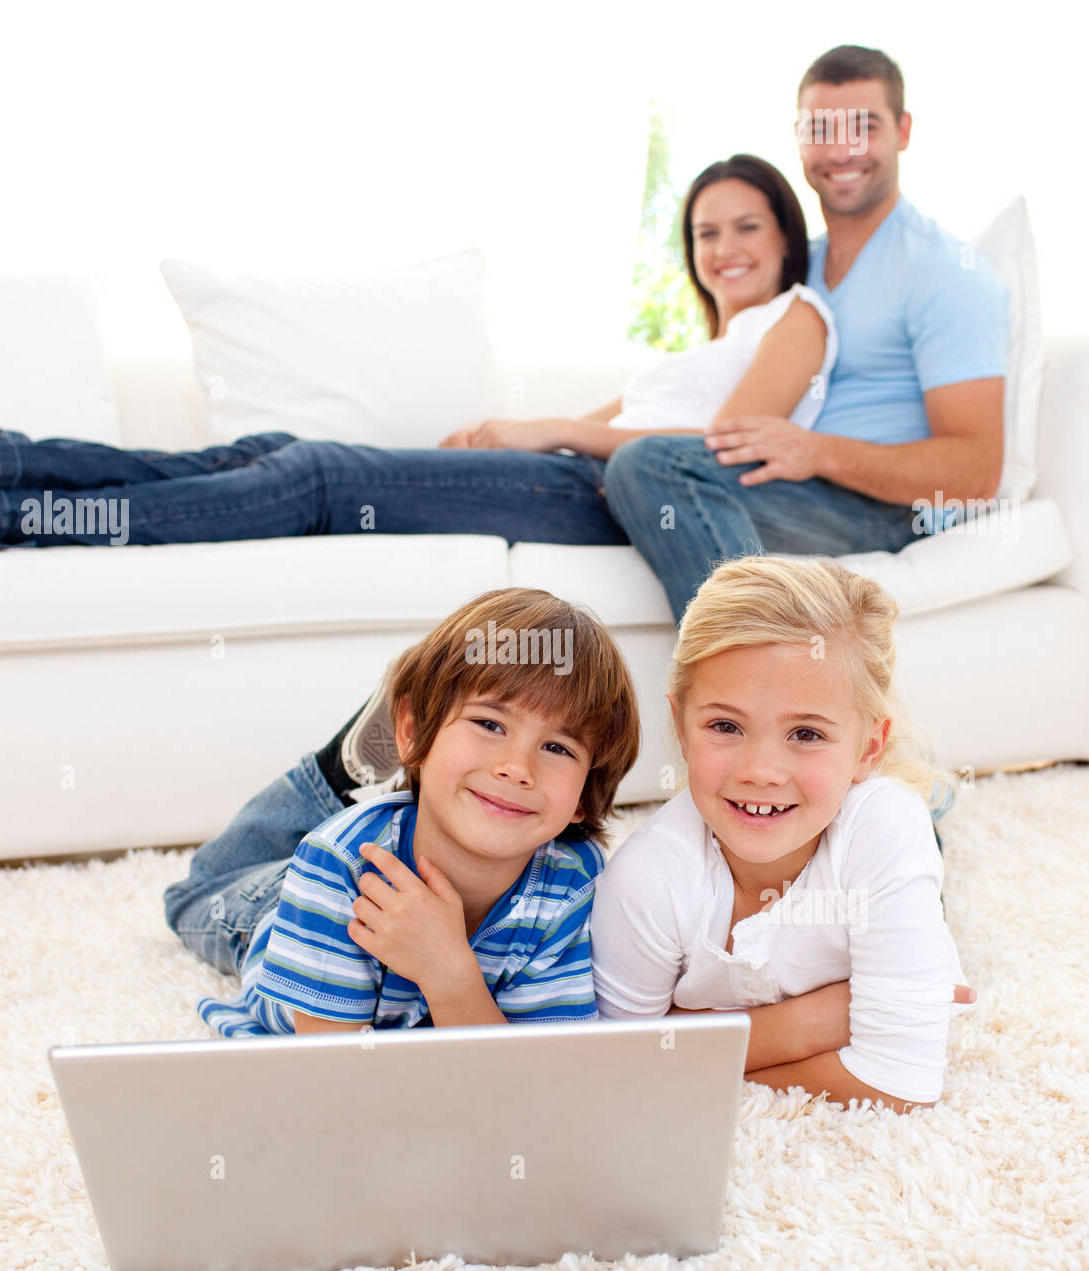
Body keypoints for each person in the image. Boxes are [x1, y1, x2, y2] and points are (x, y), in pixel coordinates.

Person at [0, 155, 834, 565]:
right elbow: (613, 425)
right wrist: (510, 437)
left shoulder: (797, 315)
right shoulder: (702, 346)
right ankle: (0, 456)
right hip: (567, 472)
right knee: (261, 453)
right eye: (706, 231)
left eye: (746, 226)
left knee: (315, 477)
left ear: (785, 235)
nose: (723, 247)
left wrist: (552, 428)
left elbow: (720, 442)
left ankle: (4, 517)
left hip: (608, 501)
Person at [603, 43, 1010, 620]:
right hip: (775, 482)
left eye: (863, 126)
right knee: (594, 472)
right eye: (821, 128)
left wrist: (816, 452)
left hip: (880, 508)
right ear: (798, 137)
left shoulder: (945, 273)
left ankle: (748, 668)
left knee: (649, 466)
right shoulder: (798, 266)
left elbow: (974, 472)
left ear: (904, 131)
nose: (841, 149)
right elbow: (715, 371)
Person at [587, 554, 977, 1114]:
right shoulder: (647, 878)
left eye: (805, 733)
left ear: (869, 745)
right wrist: (814, 1022)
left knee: (916, 806)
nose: (760, 769)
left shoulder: (884, 824)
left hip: (858, 822)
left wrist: (693, 1038)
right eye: (726, 726)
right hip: (821, 820)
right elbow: (615, 1067)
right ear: (680, 726)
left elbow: (900, 1085)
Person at [163, 587, 640, 1036]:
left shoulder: (574, 883)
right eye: (489, 723)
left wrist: (449, 972)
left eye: (557, 748)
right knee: (196, 893)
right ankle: (329, 778)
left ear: (584, 796)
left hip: (369, 857)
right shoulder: (337, 867)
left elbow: (533, 1079)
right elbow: (333, 1081)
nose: (517, 769)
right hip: (285, 910)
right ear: (412, 732)